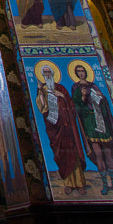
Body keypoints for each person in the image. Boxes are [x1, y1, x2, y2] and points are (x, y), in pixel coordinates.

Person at [36, 63, 86, 194]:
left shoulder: (61, 88)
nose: (47, 74)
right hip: (54, 127)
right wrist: (41, 91)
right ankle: (68, 183)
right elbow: (42, 108)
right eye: (45, 72)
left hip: (67, 125)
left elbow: (71, 104)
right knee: (61, 154)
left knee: (73, 152)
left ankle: (80, 183)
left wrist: (62, 96)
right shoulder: (43, 89)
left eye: (48, 72)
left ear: (52, 73)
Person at [71, 63, 113, 195]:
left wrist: (101, 96)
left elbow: (103, 102)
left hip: (102, 121)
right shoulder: (76, 88)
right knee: (98, 153)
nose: (81, 73)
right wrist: (81, 96)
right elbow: (76, 107)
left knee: (108, 153)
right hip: (89, 123)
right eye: (79, 71)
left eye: (82, 71)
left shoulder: (93, 86)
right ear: (76, 73)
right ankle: (105, 184)